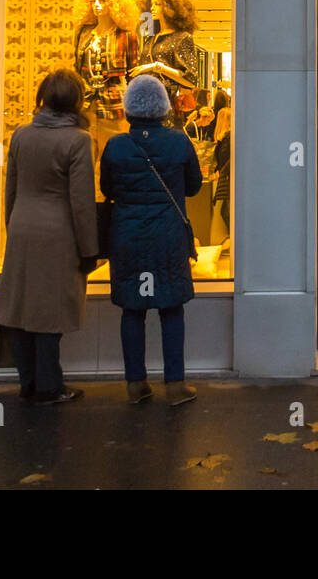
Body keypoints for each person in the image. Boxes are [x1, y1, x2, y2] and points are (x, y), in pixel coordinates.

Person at [0, 68, 98, 405]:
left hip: (23, 227)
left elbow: (10, 189)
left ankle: (28, 382)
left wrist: (13, 227)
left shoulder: (22, 135)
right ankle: (50, 387)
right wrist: (90, 248)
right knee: (49, 313)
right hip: (59, 232)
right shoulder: (78, 140)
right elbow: (81, 202)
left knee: (23, 309)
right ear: (76, 101)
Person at [101, 75, 203, 406]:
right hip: (168, 236)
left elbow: (107, 190)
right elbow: (193, 187)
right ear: (164, 108)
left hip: (128, 237)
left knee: (133, 309)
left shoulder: (116, 146)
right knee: (171, 307)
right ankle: (175, 385)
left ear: (129, 108)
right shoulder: (179, 142)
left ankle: (136, 383)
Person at [210, 107, 232, 253]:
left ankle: (232, 239)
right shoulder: (227, 137)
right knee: (226, 209)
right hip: (226, 177)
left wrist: (220, 171)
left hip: (227, 178)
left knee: (227, 210)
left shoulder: (228, 137)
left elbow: (226, 158)